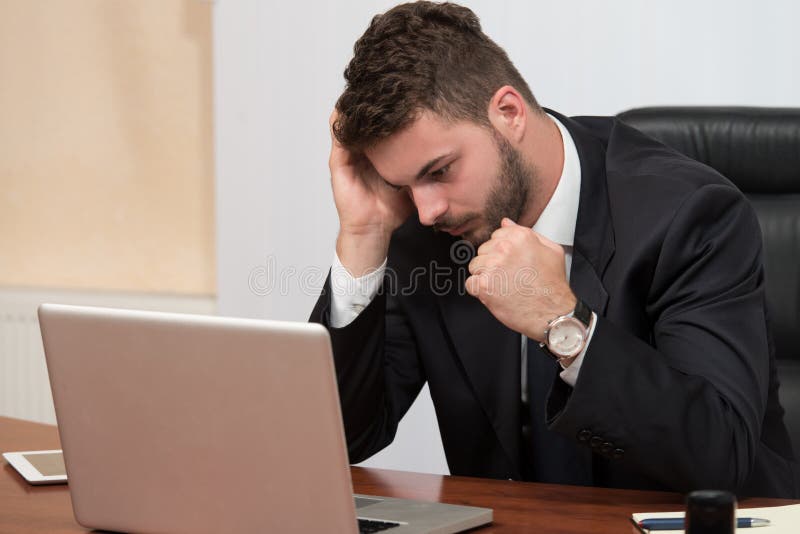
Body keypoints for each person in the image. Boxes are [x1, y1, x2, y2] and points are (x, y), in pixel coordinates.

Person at [310, 1, 798, 497]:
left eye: (439, 171)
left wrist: (564, 324)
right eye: (406, 184)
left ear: (508, 113)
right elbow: (344, 438)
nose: (428, 208)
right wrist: (364, 234)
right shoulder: (429, 227)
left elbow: (721, 456)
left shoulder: (691, 216)